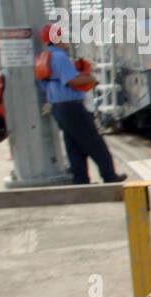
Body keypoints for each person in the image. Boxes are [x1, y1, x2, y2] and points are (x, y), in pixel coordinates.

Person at [37, 23, 125, 184]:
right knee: (95, 142)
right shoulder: (60, 57)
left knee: (74, 145)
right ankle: (109, 176)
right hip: (72, 107)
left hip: (58, 107)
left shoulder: (46, 56)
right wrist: (91, 79)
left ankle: (81, 179)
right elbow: (73, 81)